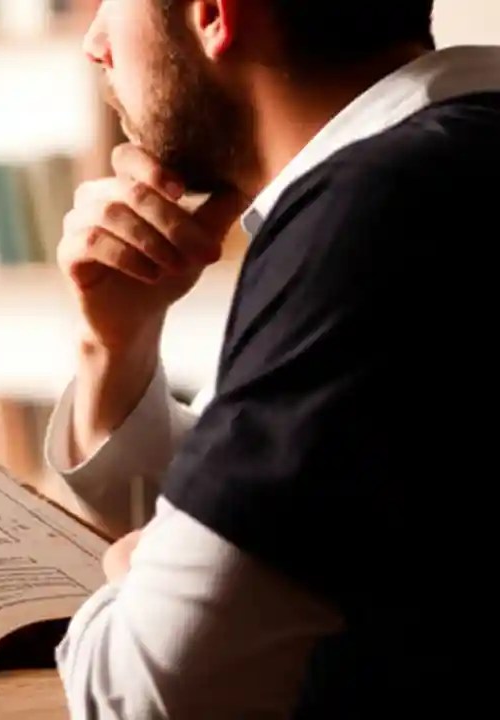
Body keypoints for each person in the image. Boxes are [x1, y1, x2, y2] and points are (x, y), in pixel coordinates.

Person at [47, 0, 498, 717]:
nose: (94, 43)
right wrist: (116, 344)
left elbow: (150, 695)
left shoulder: (373, 213)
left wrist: (135, 570)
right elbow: (273, 511)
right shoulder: (447, 162)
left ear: (214, 14)